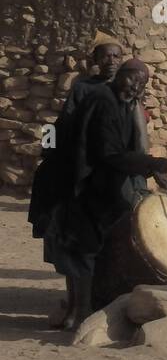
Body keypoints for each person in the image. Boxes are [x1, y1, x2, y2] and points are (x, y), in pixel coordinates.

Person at [52, 60, 167, 325]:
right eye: (132, 79)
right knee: (84, 250)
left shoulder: (121, 103)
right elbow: (109, 153)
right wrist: (151, 165)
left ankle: (84, 310)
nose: (135, 87)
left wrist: (150, 167)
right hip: (84, 185)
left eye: (141, 84)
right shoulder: (103, 101)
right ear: (121, 75)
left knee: (99, 247)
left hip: (102, 185)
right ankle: (81, 312)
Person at [29, 37, 125, 324]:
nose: (112, 61)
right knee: (75, 245)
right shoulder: (83, 89)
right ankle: (77, 307)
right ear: (95, 60)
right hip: (79, 176)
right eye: (106, 56)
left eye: (116, 56)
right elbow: (62, 126)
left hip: (103, 176)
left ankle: (80, 307)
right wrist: (48, 154)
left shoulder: (122, 91)